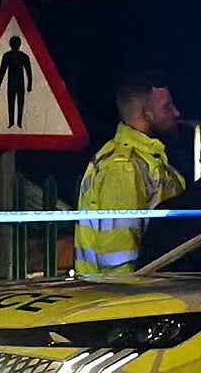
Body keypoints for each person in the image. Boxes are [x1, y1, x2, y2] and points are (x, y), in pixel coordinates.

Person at [75, 74, 188, 273]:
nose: (176, 112)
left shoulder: (148, 161)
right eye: (167, 106)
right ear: (147, 114)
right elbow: (118, 260)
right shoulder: (122, 168)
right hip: (126, 297)